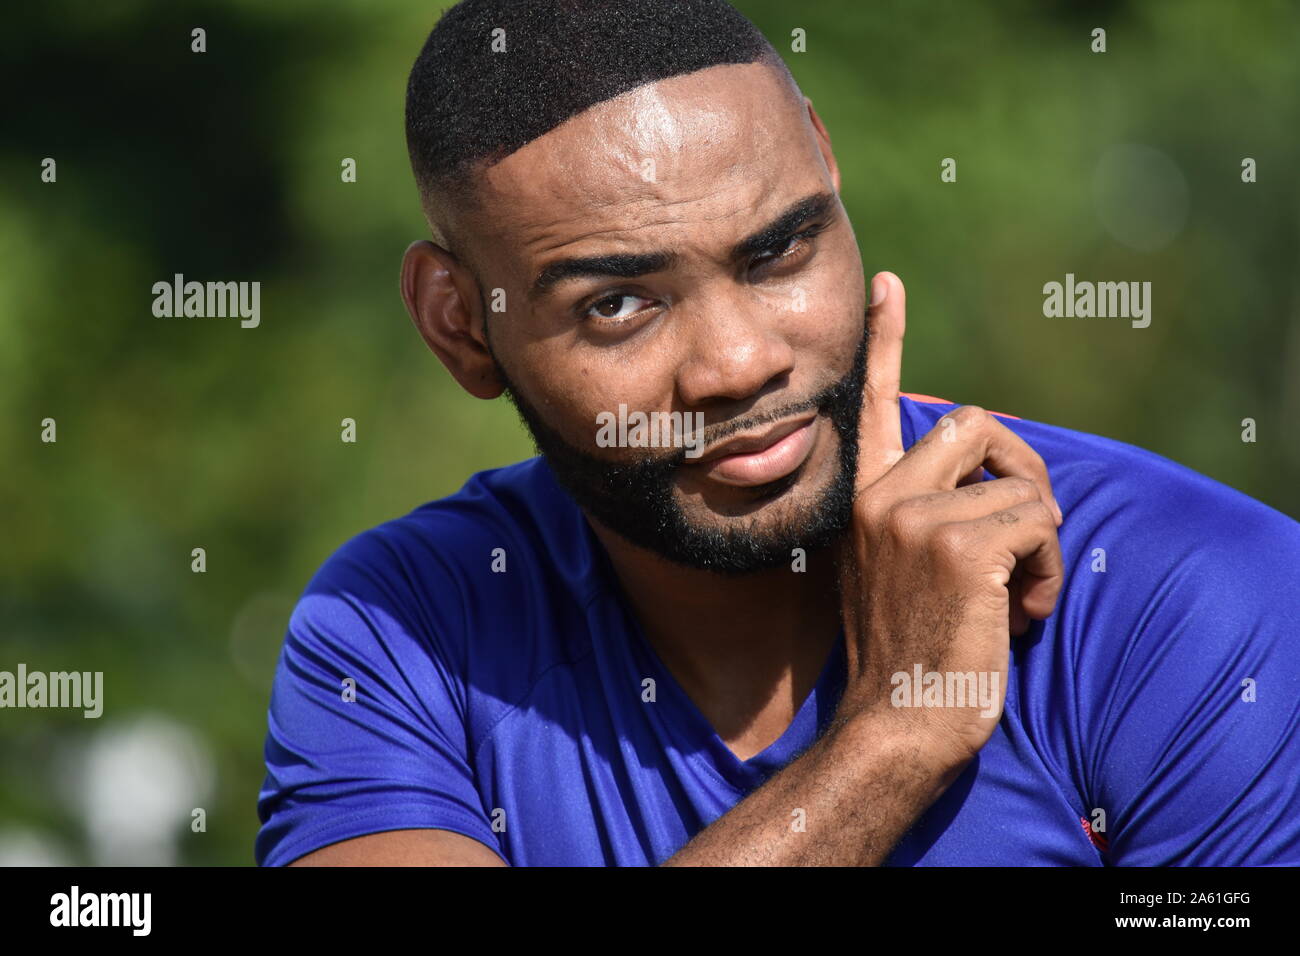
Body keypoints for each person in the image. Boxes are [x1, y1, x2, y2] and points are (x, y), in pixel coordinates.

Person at [255, 0, 1300, 866]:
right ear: (458, 324)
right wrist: (890, 736)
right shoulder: (402, 631)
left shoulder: (1180, 593)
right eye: (617, 303)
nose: (737, 362)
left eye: (778, 251)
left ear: (828, 171)